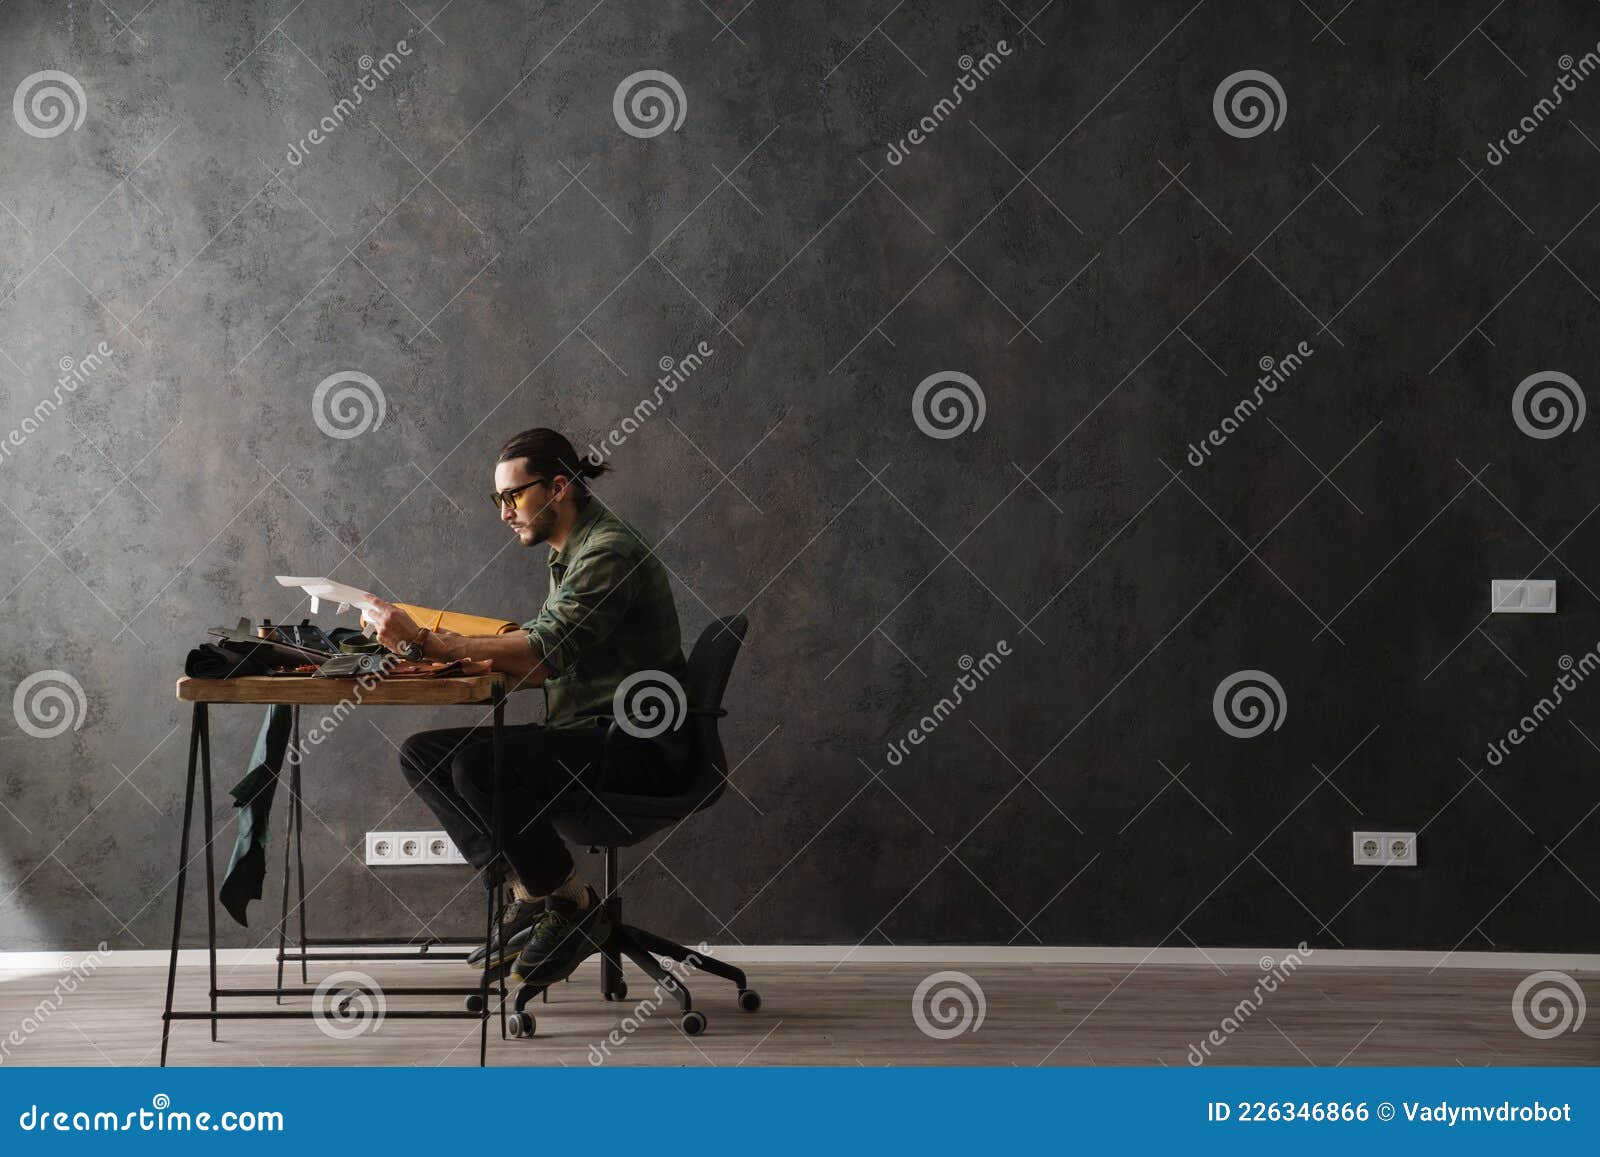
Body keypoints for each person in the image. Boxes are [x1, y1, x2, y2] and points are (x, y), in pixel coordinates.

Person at [366, 427, 690, 988]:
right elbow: (550, 655)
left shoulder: (607, 552)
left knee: (475, 766)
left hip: (636, 747)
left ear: (559, 487)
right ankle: (533, 891)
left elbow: (545, 649)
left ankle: (570, 903)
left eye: (512, 496)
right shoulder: (572, 551)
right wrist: (438, 654)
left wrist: (431, 644)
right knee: (425, 754)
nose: (504, 513)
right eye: (498, 499)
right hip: (593, 731)